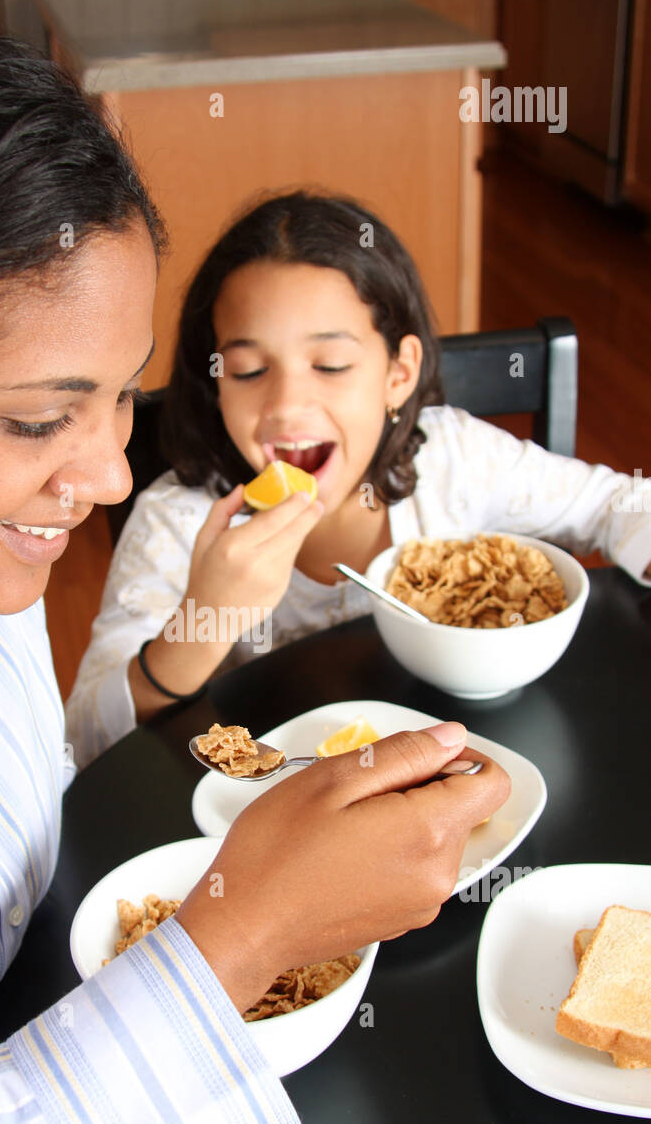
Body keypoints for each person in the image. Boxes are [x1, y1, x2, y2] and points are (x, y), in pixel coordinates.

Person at [0, 7, 509, 1124]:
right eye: (38, 420)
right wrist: (236, 933)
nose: (113, 473)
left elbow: (64, 784)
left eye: (121, 395)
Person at [65, 191, 651, 768]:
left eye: (331, 366)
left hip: (478, 761)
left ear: (399, 374)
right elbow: (85, 738)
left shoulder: (454, 462)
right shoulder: (181, 520)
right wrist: (205, 617)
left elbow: (619, 503)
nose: (287, 406)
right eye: (248, 370)